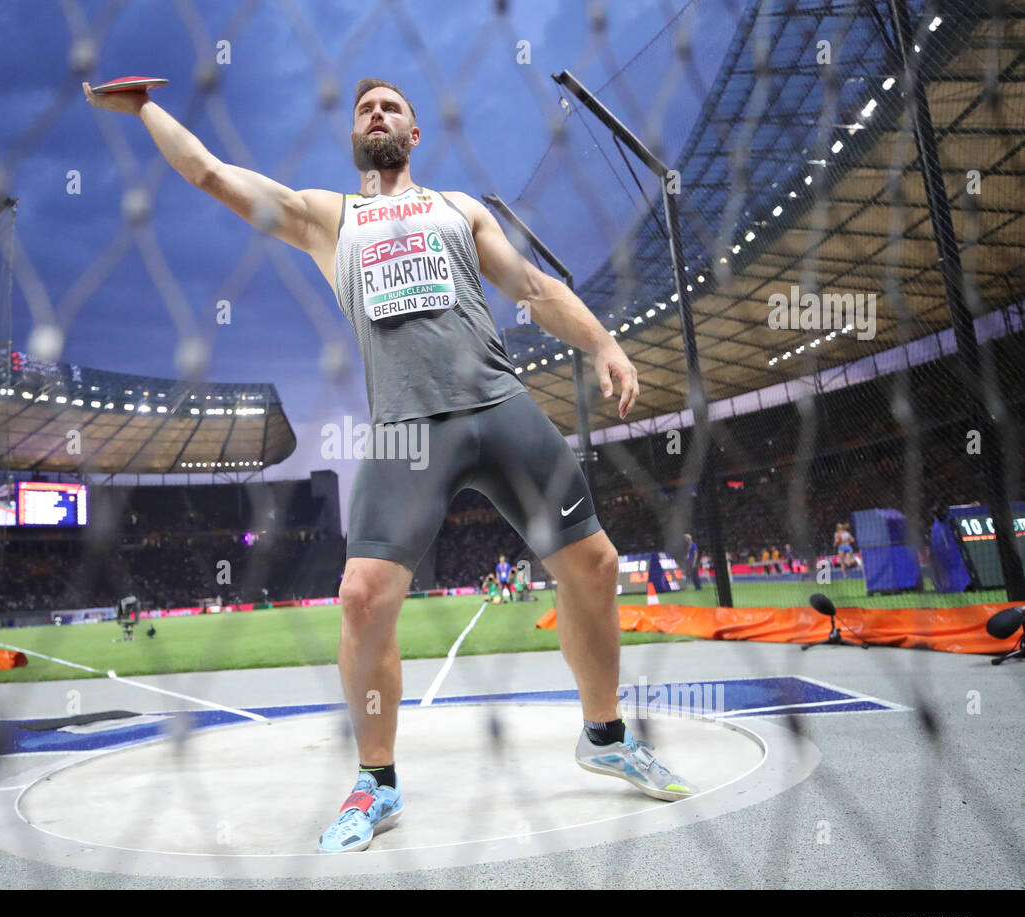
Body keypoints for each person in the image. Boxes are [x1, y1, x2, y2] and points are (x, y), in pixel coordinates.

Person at [84, 74, 696, 856]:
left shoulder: (459, 208)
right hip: (407, 428)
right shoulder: (327, 218)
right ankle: (376, 782)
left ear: (414, 135)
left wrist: (604, 342)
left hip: (498, 405)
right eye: (365, 108)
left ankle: (606, 735)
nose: (377, 114)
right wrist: (143, 108)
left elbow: (536, 289)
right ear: (355, 138)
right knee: (362, 596)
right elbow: (209, 172)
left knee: (596, 566)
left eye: (393, 108)